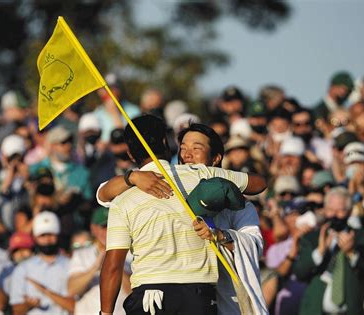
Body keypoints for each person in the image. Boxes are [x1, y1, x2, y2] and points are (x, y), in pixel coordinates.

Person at [98, 122, 268, 314]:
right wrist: (133, 177)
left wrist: (221, 235)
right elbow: (102, 193)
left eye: (196, 148)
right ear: (167, 144)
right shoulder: (198, 174)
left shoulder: (224, 191)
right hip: (194, 296)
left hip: (215, 301)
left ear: (216, 158)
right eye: (183, 148)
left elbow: (255, 243)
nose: (187, 154)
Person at [293, 187, 364, 314]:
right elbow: (300, 273)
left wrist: (352, 253)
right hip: (315, 309)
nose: (335, 215)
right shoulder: (312, 238)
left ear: (350, 211)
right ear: (325, 210)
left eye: (340, 211)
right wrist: (319, 252)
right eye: (331, 210)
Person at [9, 211, 74, 314]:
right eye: (42, 235)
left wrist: (45, 291)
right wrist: (28, 305)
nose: (47, 239)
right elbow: (16, 310)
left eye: (51, 234)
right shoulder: (23, 269)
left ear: (58, 235)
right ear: (34, 237)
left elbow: (76, 306)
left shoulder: (71, 265)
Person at [68, 207, 130, 314]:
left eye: (113, 225)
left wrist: (115, 265)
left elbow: (132, 291)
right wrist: (95, 267)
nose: (109, 230)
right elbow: (72, 290)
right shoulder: (81, 254)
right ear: (93, 228)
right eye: (104, 226)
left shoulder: (130, 253)